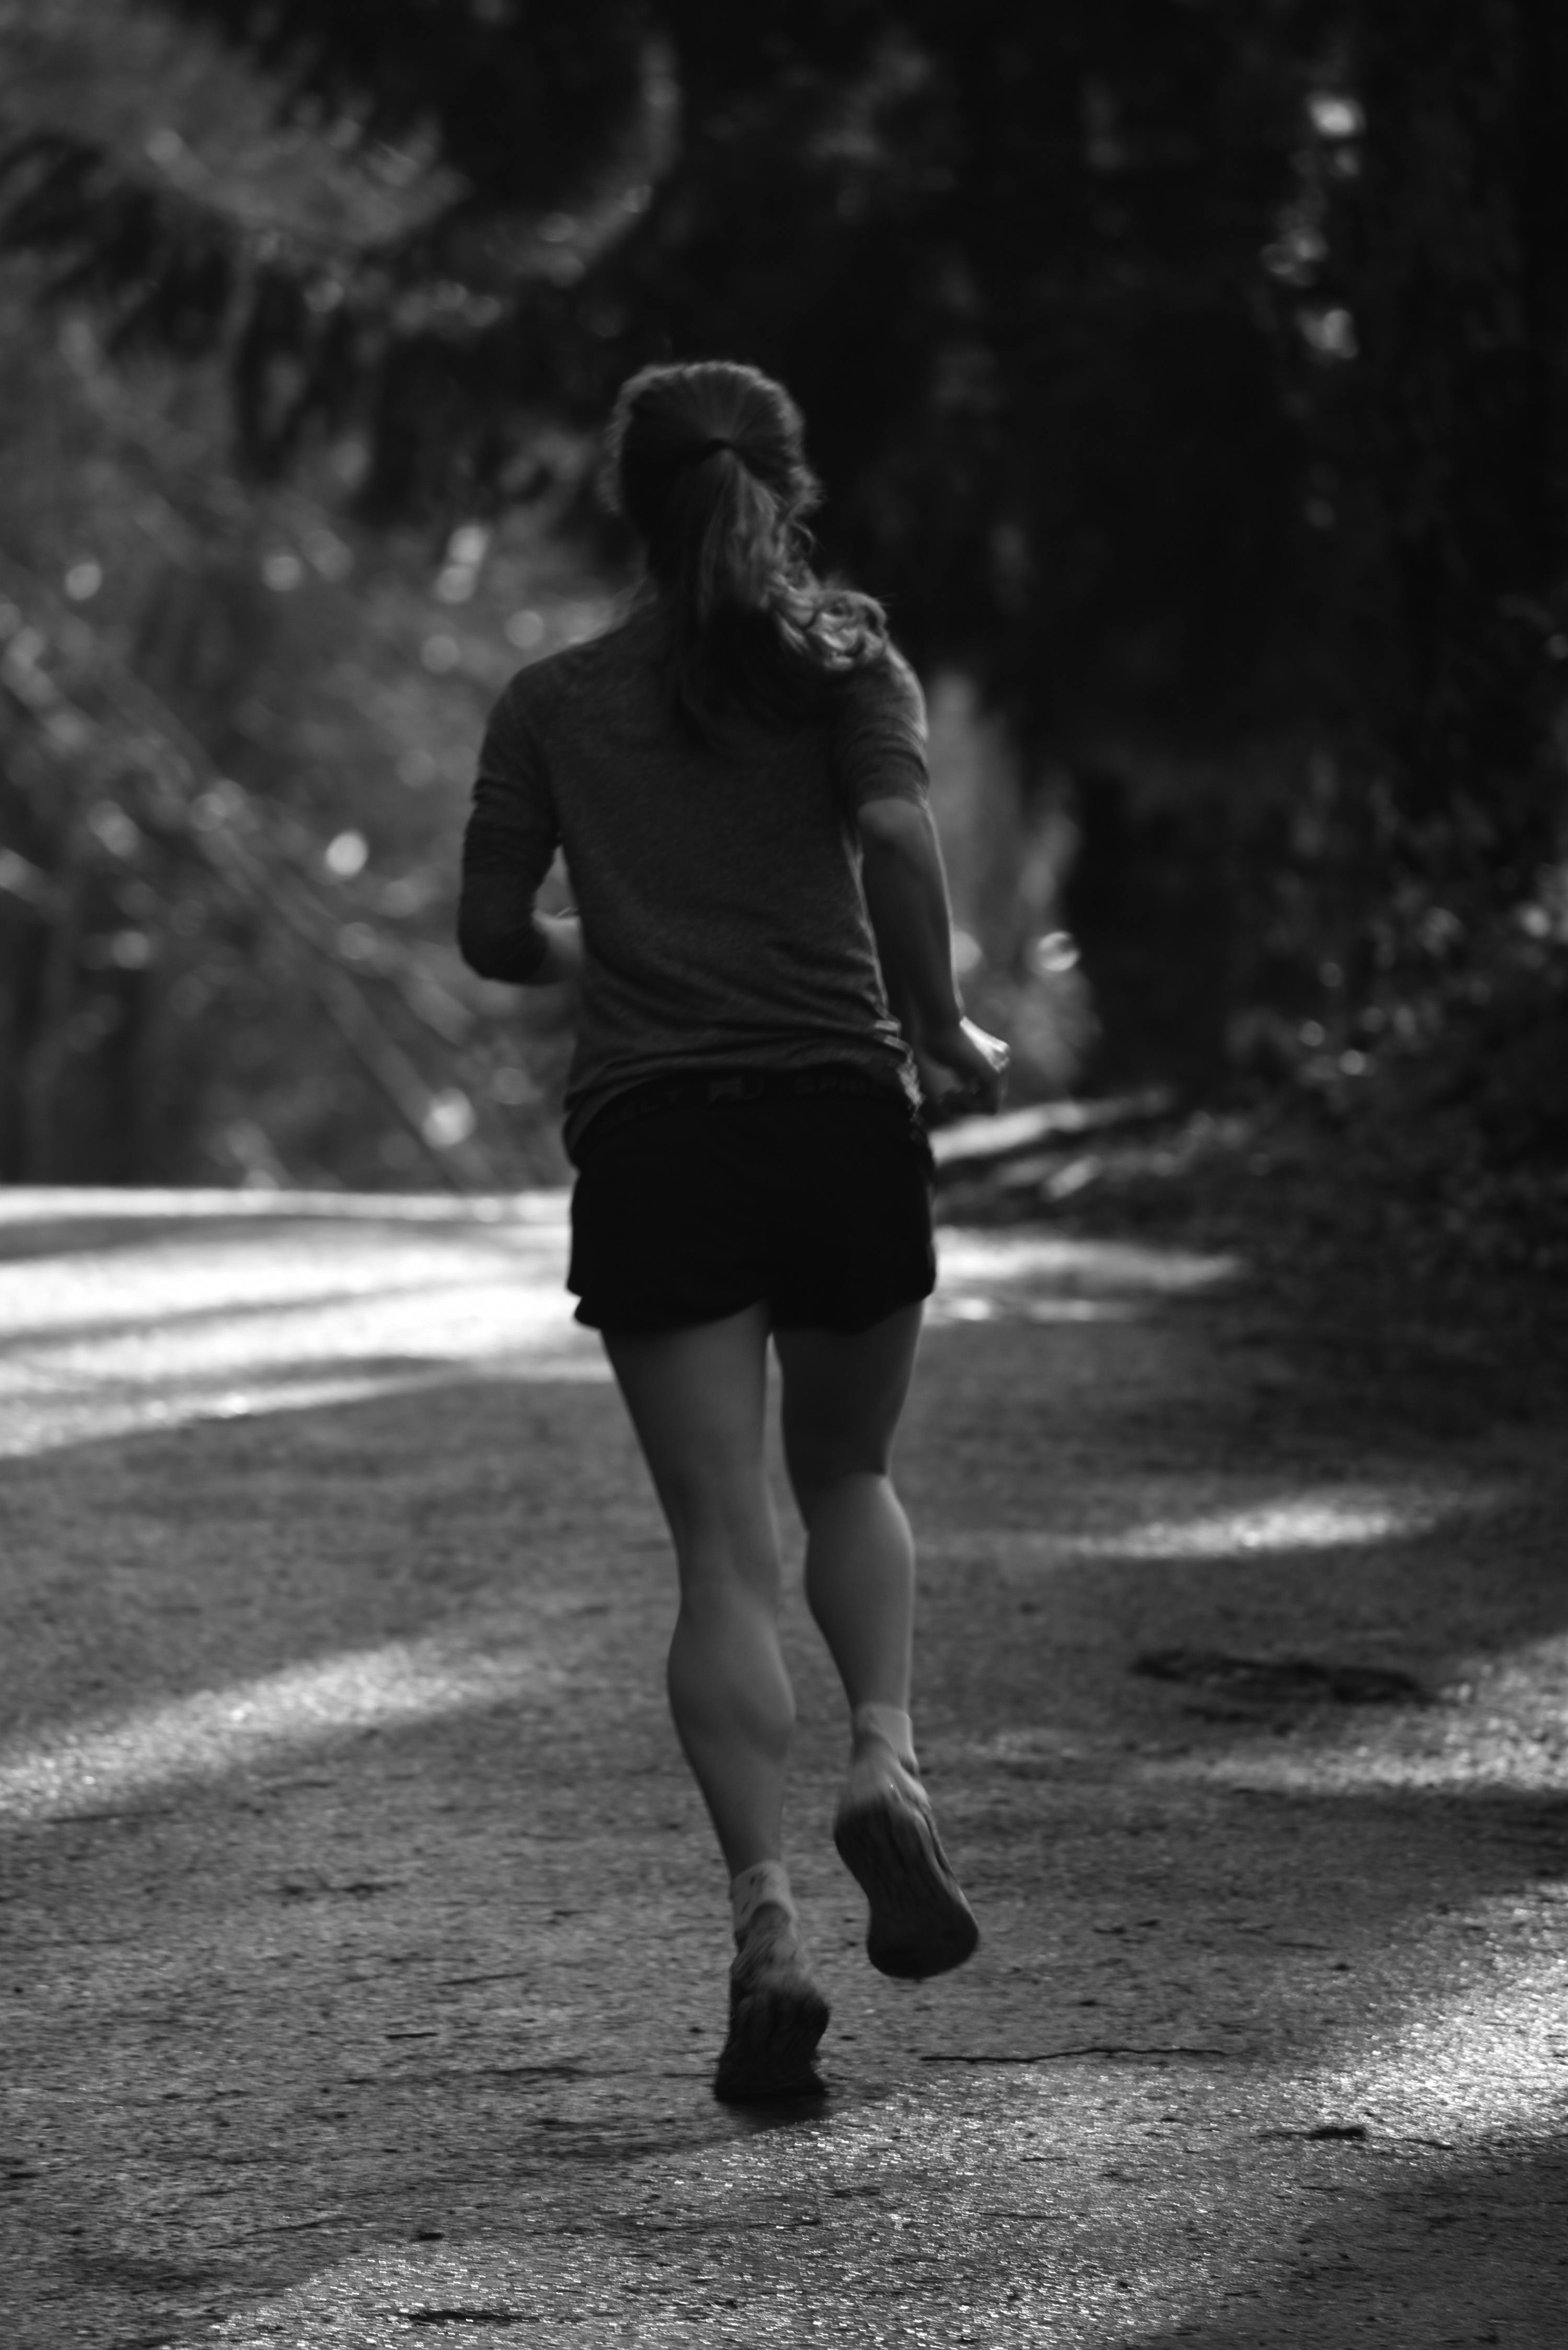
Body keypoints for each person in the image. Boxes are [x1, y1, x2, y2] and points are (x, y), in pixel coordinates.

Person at [457, 359, 1008, 2102]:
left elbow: (492, 935)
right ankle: (885, 1762)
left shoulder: (554, 703)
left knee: (718, 1554)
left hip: (659, 1144)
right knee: (848, 1474)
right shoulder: (850, 663)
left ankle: (766, 1922)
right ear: (790, 489)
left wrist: (604, 944)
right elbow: (896, 832)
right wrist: (941, 1027)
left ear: (632, 505)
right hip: (838, 1118)